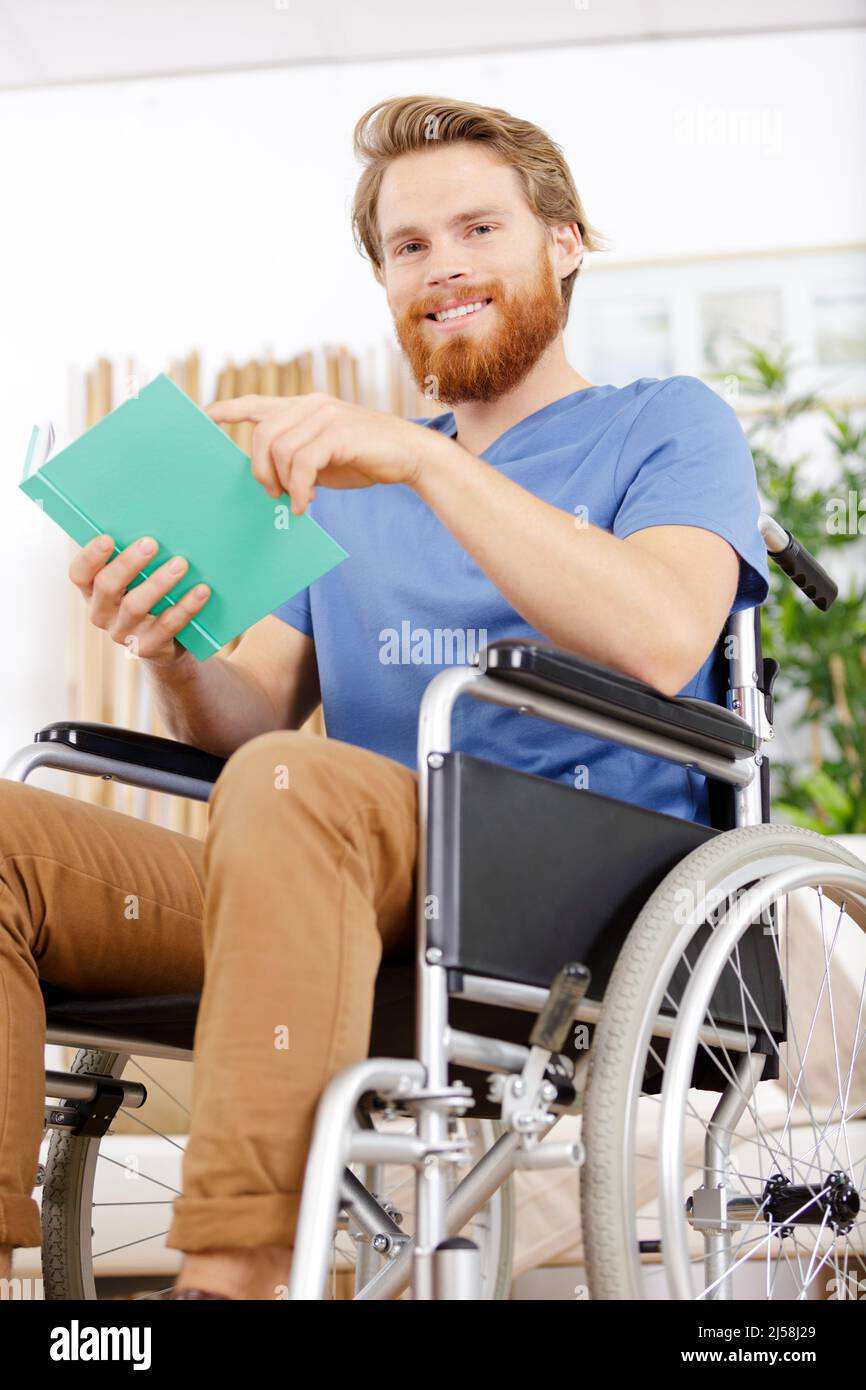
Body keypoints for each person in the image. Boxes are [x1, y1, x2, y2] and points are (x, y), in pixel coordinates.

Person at [0, 94, 769, 1299]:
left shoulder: (662, 424)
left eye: (478, 229)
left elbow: (665, 633)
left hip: (564, 896)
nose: (442, 266)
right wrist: (169, 644)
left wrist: (425, 459)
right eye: (408, 246)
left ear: (562, 241)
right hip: (330, 870)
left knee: (294, 782)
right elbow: (247, 719)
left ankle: (234, 1278)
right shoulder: (345, 483)